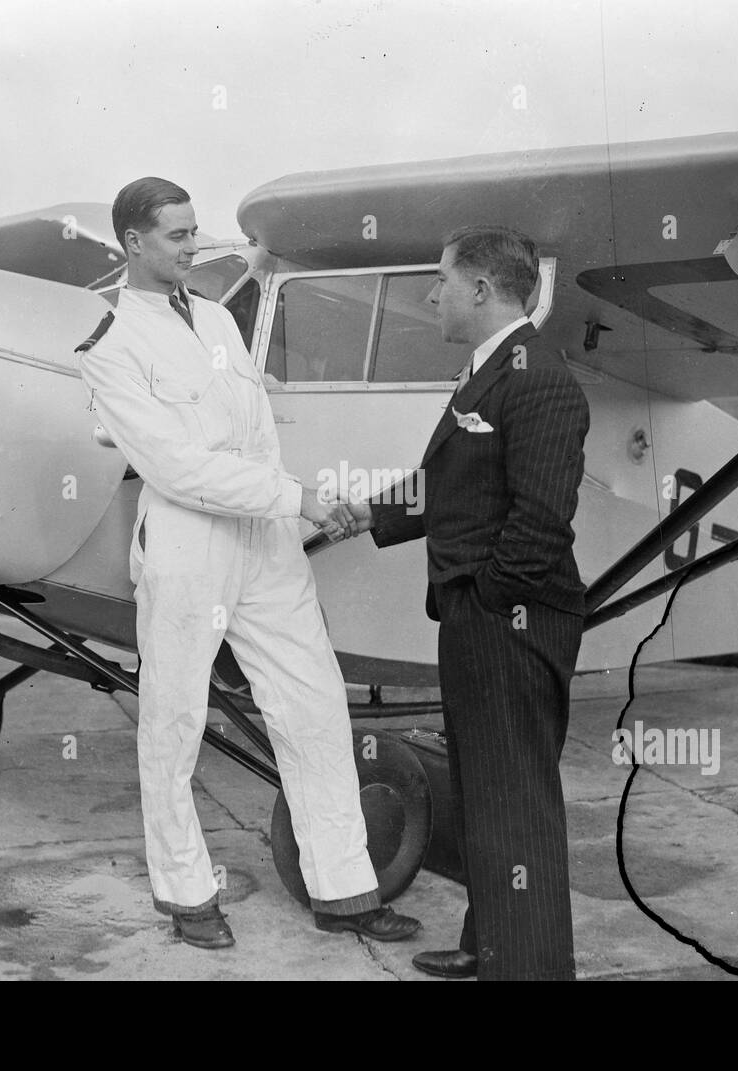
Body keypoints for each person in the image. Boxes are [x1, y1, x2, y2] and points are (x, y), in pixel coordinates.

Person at [78, 176, 419, 950]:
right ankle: (187, 892)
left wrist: (278, 504)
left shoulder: (218, 323)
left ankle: (345, 889)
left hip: (264, 539)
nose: (193, 246)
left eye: (195, 230)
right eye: (176, 235)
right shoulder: (111, 349)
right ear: (133, 243)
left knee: (315, 704)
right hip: (190, 541)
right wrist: (295, 497)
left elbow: (254, 432)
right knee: (174, 720)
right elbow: (177, 468)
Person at [349, 224, 589, 980]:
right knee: (489, 792)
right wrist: (366, 513)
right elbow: (451, 485)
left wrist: (487, 598)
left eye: (442, 281)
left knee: (515, 797)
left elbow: (542, 520)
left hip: (507, 622)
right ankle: (491, 944)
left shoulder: (538, 377)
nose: (433, 295)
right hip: (477, 619)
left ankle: (529, 969)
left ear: (483, 289)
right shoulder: (489, 370)